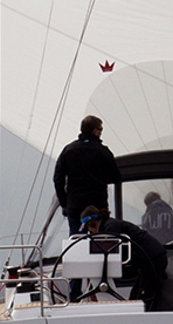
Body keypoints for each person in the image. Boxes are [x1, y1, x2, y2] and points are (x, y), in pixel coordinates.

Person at [53, 115, 120, 301]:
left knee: (76, 245)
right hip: (97, 207)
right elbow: (116, 176)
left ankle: (74, 294)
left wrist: (64, 203)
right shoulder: (102, 151)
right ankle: (101, 291)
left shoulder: (69, 150)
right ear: (95, 130)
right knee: (100, 246)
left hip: (75, 207)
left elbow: (58, 179)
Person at [80, 206, 168, 311]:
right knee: (134, 297)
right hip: (149, 259)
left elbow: (111, 254)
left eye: (88, 229)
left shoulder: (110, 228)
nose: (89, 232)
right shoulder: (110, 225)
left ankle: (143, 319)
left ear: (91, 224)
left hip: (152, 259)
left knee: (145, 296)